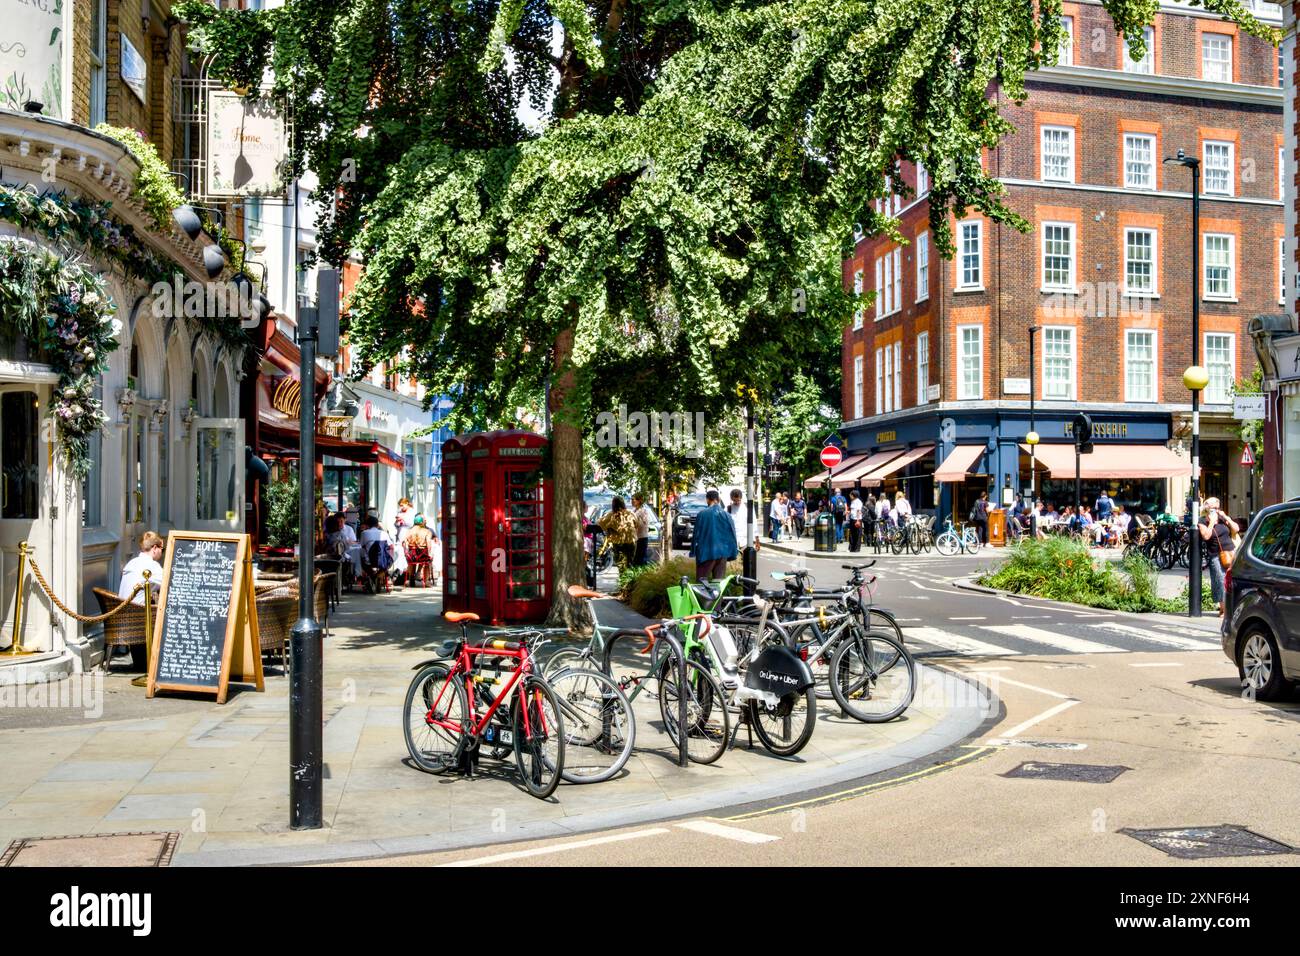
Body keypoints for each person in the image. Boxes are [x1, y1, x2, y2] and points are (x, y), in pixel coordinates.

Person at [1199, 497, 1240, 614]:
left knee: (1233, 580)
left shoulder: (1222, 518)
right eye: (1213, 508)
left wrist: (1226, 516)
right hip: (1216, 555)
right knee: (1220, 581)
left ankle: (1229, 607)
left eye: (1217, 508)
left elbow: (1236, 529)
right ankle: (1224, 609)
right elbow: (1206, 536)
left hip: (1231, 552)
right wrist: (1212, 522)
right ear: (1207, 508)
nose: (1216, 510)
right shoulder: (1202, 521)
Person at [690, 489, 738, 581]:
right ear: (718, 499)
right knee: (718, 583)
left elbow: (696, 534)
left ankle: (704, 596)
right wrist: (732, 552)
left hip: (706, 552)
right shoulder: (726, 515)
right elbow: (732, 534)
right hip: (723, 553)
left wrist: (693, 551)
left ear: (707, 499)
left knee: (701, 583)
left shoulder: (702, 514)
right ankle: (718, 596)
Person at [118, 531, 165, 606]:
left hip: (121, 610)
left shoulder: (132, 562)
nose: (162, 552)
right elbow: (168, 584)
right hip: (137, 612)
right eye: (162, 549)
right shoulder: (152, 565)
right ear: (155, 548)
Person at [598, 496, 639, 571]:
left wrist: (609, 527)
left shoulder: (611, 515)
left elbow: (600, 523)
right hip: (631, 541)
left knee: (620, 564)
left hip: (618, 542)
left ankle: (623, 579)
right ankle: (629, 580)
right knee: (630, 562)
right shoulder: (630, 513)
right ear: (623, 504)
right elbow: (637, 524)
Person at [359, 515, 394, 592]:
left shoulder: (364, 533)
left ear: (367, 525)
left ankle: (373, 576)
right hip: (382, 560)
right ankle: (378, 575)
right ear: (378, 525)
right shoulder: (384, 533)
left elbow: (361, 546)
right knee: (389, 560)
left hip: (369, 560)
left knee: (361, 560)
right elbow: (391, 546)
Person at [631, 493, 655, 566]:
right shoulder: (634, 510)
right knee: (636, 559)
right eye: (631, 499)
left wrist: (634, 524)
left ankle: (642, 575)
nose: (631, 501)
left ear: (639, 501)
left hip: (642, 537)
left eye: (633, 500)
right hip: (636, 538)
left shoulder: (643, 511)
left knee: (640, 559)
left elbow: (645, 524)